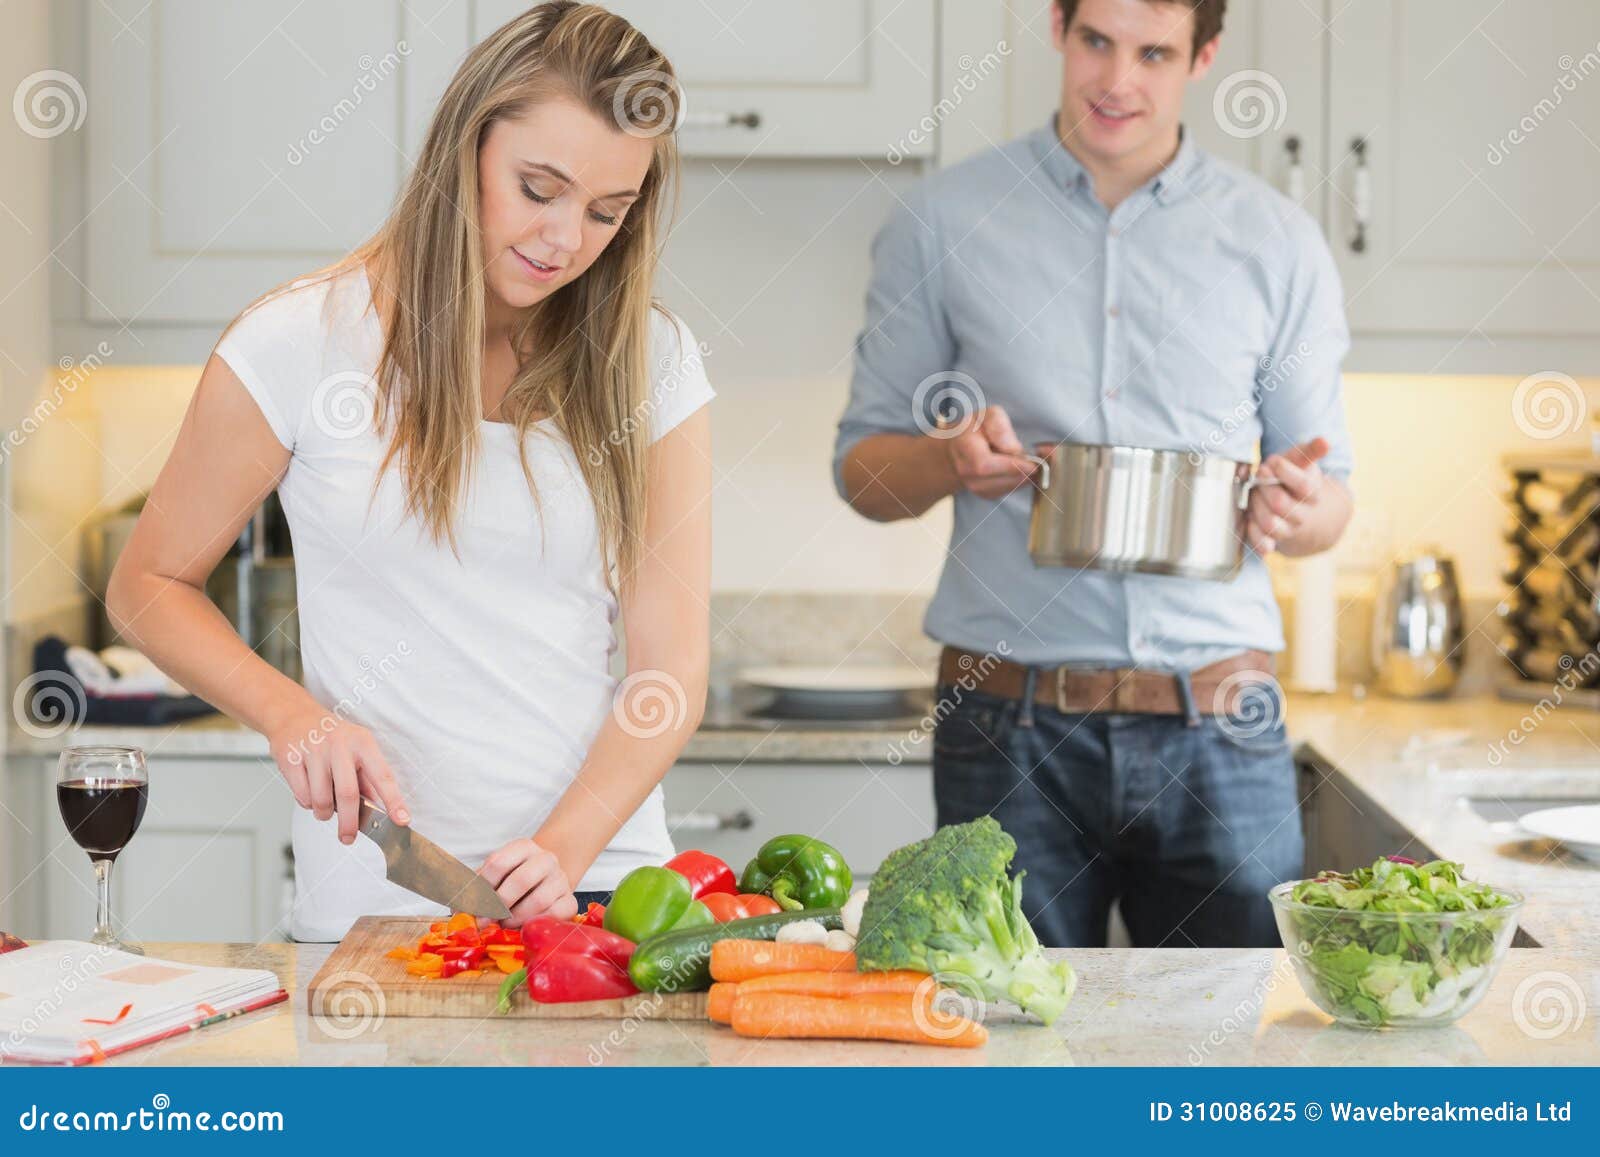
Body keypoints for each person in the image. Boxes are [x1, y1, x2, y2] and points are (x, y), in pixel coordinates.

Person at [108, 2, 712, 941]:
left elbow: (670, 664)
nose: (564, 240)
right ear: (465, 147)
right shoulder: (300, 340)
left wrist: (566, 846)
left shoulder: (654, 362)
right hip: (381, 902)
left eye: (606, 212)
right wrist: (292, 716)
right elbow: (147, 585)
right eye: (537, 188)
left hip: (601, 891)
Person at [834, 0, 1353, 948]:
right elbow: (863, 474)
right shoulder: (944, 220)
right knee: (1010, 1051)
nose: (1118, 82)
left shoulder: (1279, 243)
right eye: (1096, 43)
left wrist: (1300, 506)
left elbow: (1331, 502)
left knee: (1226, 1049)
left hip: (1222, 724)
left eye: (1154, 52)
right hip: (1005, 725)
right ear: (1057, 30)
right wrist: (950, 460)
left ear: (1204, 56)